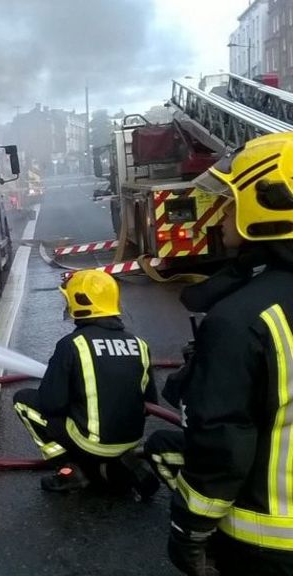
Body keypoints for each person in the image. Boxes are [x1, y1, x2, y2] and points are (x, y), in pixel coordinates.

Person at [144, 134, 293, 576]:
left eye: (231, 201)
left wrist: (189, 531)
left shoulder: (240, 320)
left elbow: (222, 446)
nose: (223, 213)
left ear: (264, 205)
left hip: (266, 544)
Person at [13, 269, 159, 497]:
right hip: (130, 438)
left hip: (90, 443)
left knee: (22, 400)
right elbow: (150, 402)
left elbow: (51, 404)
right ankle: (123, 461)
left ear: (80, 302)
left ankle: (68, 470)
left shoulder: (72, 345)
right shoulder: (139, 344)